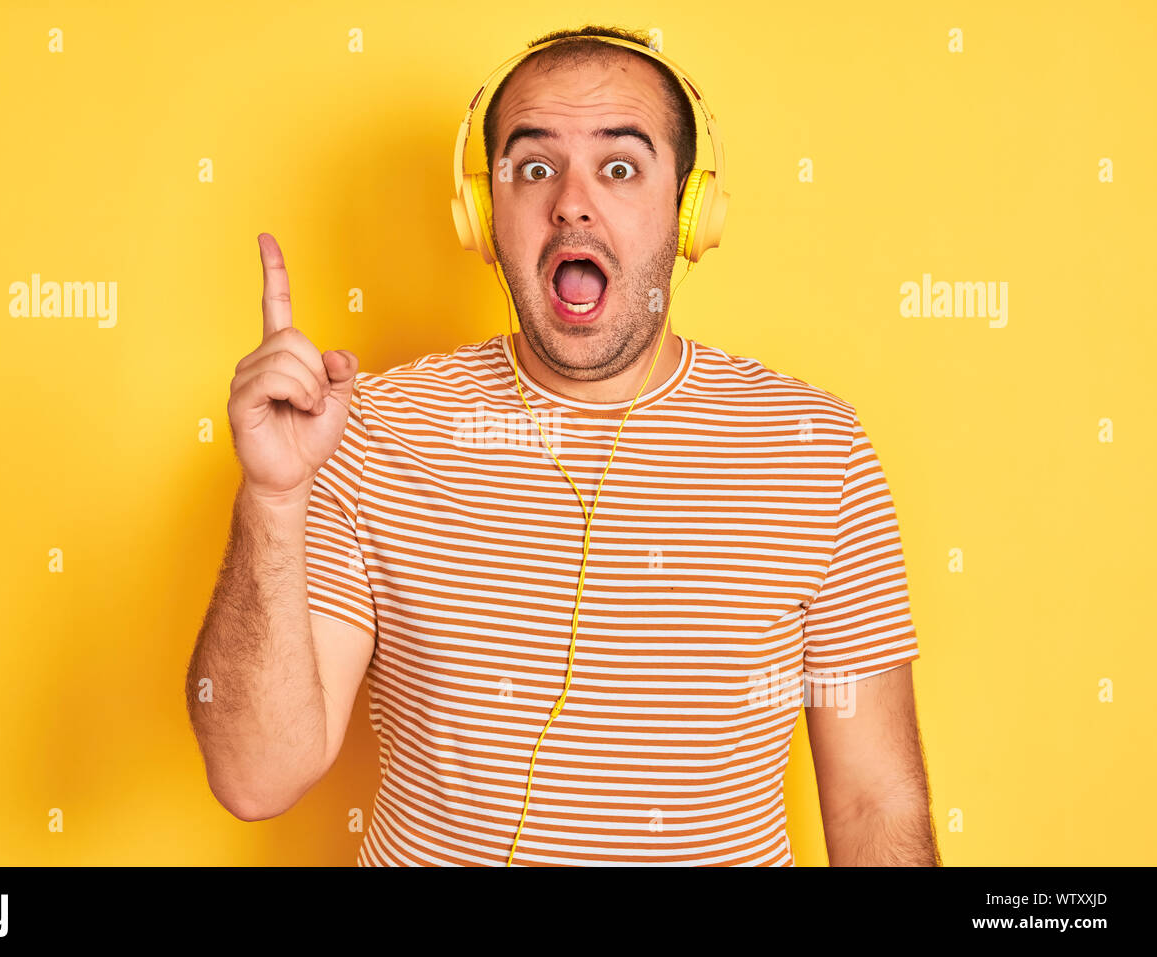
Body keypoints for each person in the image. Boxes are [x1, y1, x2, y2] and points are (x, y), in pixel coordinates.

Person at [186, 25, 940, 866]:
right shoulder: (367, 430)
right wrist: (274, 500)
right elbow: (257, 779)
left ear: (690, 212)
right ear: (484, 216)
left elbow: (876, 807)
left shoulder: (816, 450)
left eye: (619, 167)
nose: (572, 201)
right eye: (533, 167)